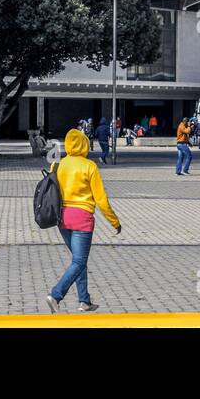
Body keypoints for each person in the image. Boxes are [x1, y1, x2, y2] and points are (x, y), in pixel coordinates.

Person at [46, 128, 121, 314]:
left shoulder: (58, 165)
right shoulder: (89, 166)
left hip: (62, 219)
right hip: (82, 219)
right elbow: (101, 200)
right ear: (84, 144)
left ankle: (84, 301)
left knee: (79, 261)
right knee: (79, 261)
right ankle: (56, 295)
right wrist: (115, 222)